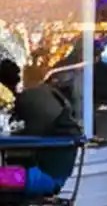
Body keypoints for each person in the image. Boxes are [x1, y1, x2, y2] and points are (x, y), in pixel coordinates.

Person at [0, 59, 79, 196]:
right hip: (53, 175)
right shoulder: (50, 96)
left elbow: (23, 139)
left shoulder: (28, 100)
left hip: (40, 176)